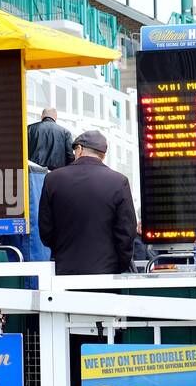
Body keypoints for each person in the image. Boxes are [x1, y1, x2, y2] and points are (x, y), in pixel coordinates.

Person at [38, 129, 137, 275]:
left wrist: (61, 250)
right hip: (106, 272)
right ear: (103, 155)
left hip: (65, 270)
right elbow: (127, 231)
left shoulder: (53, 179)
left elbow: (46, 230)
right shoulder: (119, 181)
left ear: (79, 149)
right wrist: (119, 265)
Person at [27, 107, 75, 171]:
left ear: (42, 116)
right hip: (56, 173)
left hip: (33, 171)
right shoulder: (65, 132)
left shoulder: (29, 129)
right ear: (55, 117)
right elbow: (70, 156)